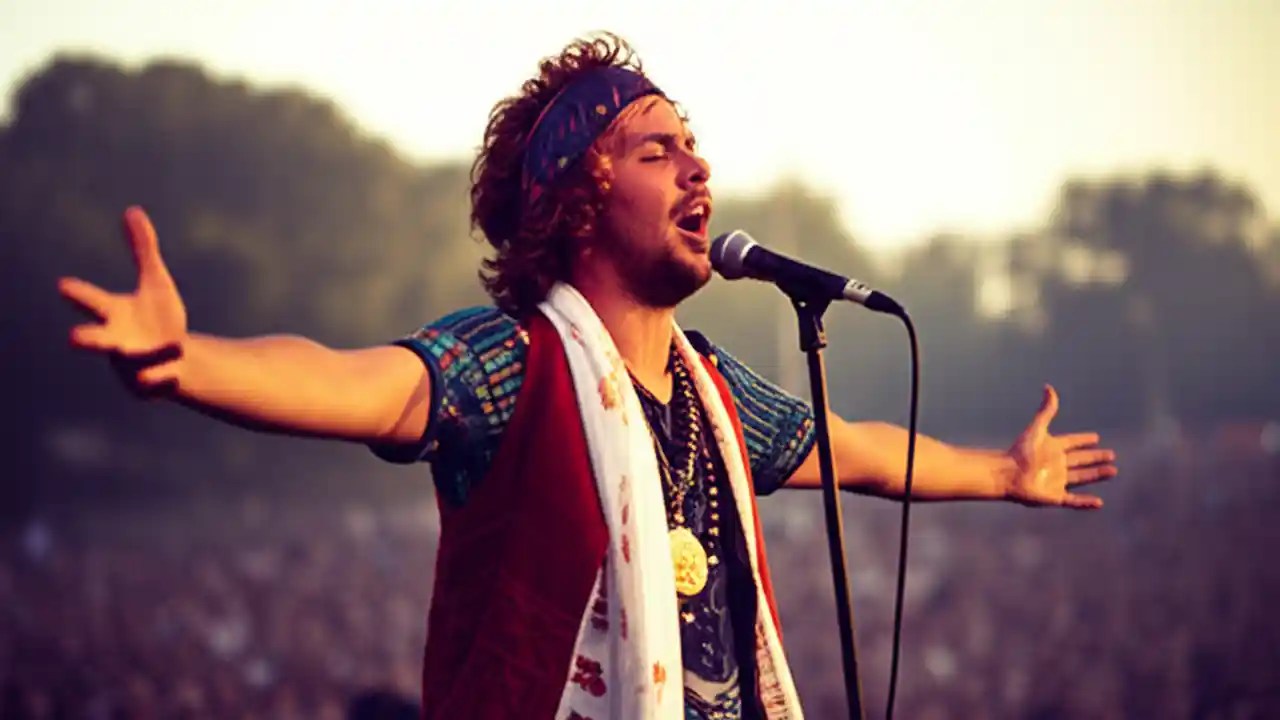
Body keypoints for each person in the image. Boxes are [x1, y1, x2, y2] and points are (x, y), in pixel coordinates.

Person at [56, 32, 1118, 720]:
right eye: (658, 151)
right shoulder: (509, 364)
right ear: (577, 200)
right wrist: (187, 362)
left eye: (694, 147)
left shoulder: (711, 389)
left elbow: (863, 453)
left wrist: (998, 472)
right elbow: (354, 382)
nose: (700, 167)